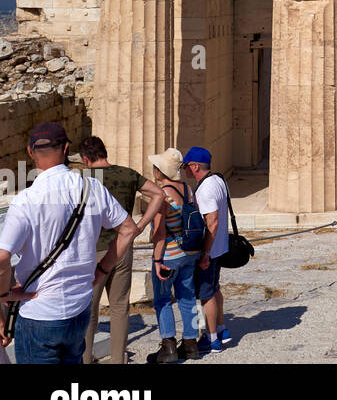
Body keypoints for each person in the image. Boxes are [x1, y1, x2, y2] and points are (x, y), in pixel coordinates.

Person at [0, 123, 163, 364]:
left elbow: (3, 258)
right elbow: (128, 229)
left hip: (40, 312)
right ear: (66, 148)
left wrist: (4, 294)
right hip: (78, 308)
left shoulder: (26, 199)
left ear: (30, 152)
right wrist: (102, 269)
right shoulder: (92, 187)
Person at [77, 135, 164, 364]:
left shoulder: (82, 179)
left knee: (89, 309)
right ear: (104, 152)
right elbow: (159, 194)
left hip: (92, 250)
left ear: (86, 158)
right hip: (123, 246)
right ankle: (118, 359)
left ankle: (85, 359)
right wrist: (140, 225)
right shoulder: (127, 174)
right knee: (119, 307)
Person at [143, 148, 204, 364]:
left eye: (155, 167)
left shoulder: (163, 195)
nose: (153, 170)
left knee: (162, 300)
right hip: (190, 251)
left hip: (169, 253)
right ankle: (190, 344)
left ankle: (168, 348)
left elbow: (160, 232)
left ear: (160, 171)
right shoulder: (187, 189)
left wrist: (157, 260)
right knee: (187, 297)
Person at [183, 147, 232, 353]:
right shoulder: (218, 180)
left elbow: (211, 222)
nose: (184, 169)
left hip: (210, 250)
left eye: (186, 166)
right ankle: (221, 329)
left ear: (194, 166)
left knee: (206, 295)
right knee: (215, 288)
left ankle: (212, 340)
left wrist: (204, 253)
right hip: (220, 246)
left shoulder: (205, 189)